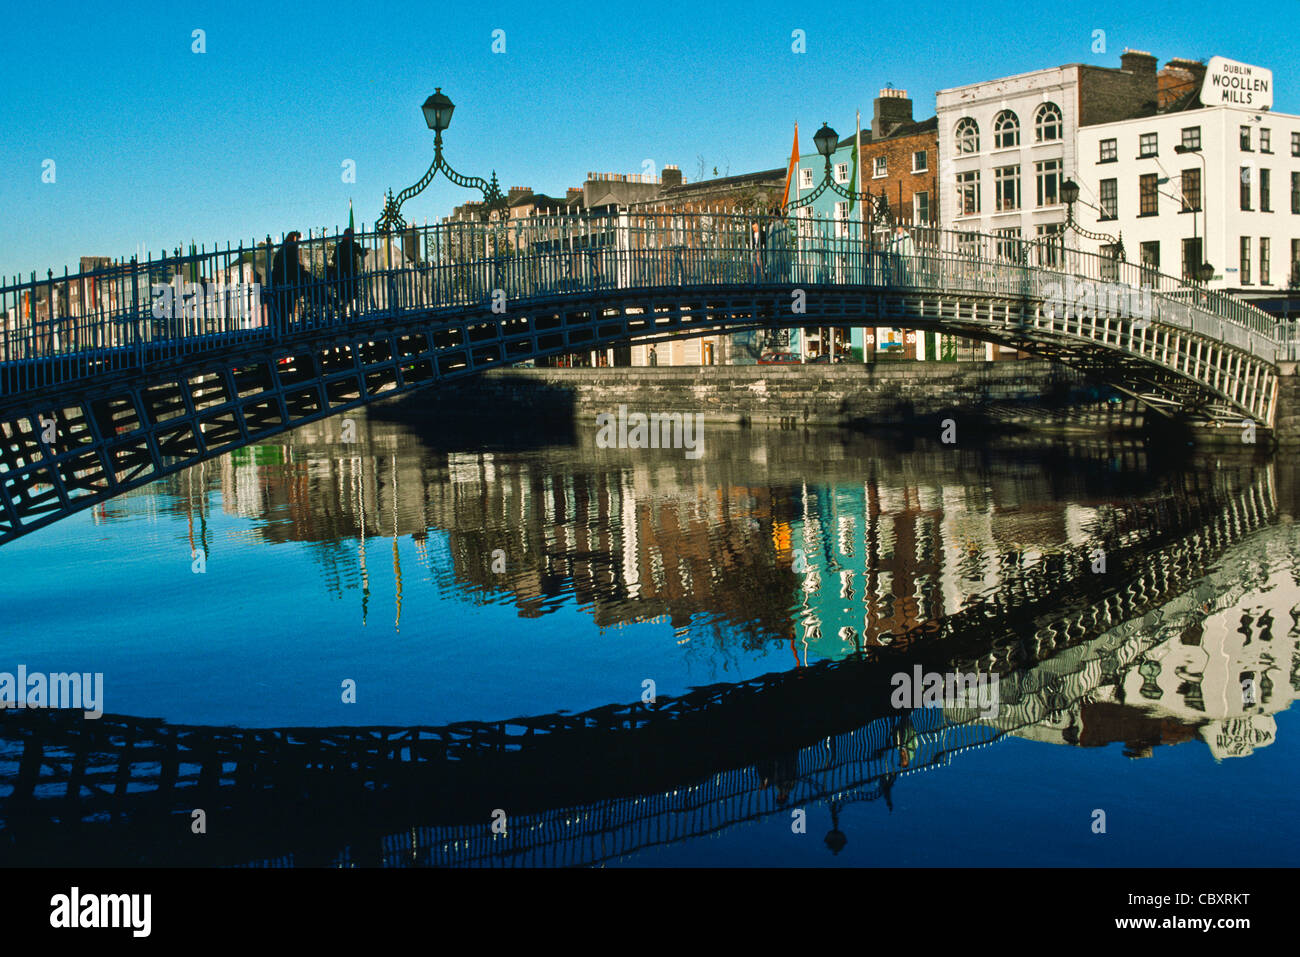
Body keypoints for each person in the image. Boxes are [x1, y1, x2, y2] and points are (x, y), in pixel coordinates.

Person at [269, 231, 313, 328]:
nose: (299, 242)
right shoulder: (291, 248)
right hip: (285, 281)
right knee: (287, 303)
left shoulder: (284, 249)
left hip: (280, 281)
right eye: (297, 239)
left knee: (283, 306)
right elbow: (293, 265)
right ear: (293, 238)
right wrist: (301, 269)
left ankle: (284, 325)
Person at [329, 228, 367, 316]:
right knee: (351, 291)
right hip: (351, 271)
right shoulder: (354, 245)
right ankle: (352, 310)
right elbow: (362, 253)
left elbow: (334, 259)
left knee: (344, 291)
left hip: (342, 271)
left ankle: (344, 311)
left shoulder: (339, 246)